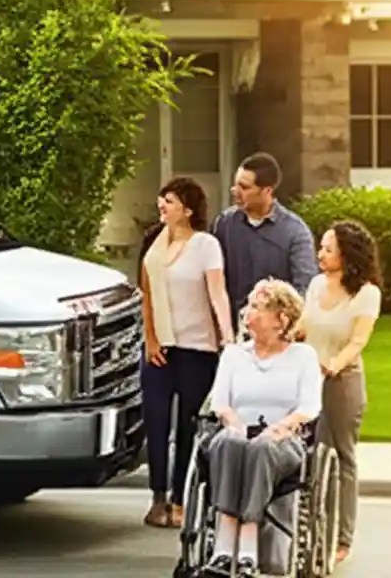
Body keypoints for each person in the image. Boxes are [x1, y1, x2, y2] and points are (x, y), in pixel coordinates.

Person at [203, 278, 322, 578]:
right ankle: (224, 547)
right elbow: (220, 403)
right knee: (230, 443)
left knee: (262, 447)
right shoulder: (233, 355)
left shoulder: (303, 357)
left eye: (256, 307)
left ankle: (247, 546)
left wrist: (280, 427)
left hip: (284, 439)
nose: (246, 312)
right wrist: (235, 425)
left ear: (280, 319)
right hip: (237, 431)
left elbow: (309, 407)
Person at [137, 177, 235, 529]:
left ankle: (180, 499)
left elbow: (217, 294)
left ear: (188, 210)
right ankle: (158, 497)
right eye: (162, 197)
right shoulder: (153, 245)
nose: (162, 203)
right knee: (157, 421)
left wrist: (228, 338)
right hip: (161, 348)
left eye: (171, 200)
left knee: (187, 425)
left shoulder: (206, 245)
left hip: (197, 349)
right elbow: (146, 297)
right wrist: (149, 339)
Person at [295, 220, 382, 566]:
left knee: (341, 456)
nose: (321, 253)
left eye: (328, 249)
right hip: (308, 380)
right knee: (310, 453)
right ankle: (312, 526)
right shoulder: (316, 285)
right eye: (322, 247)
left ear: (347, 255)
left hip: (341, 381)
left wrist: (333, 364)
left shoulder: (366, 293)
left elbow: (358, 341)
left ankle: (342, 536)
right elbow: (303, 326)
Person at [210, 152, 318, 329]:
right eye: (235, 185)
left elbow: (304, 289)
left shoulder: (295, 232)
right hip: (230, 333)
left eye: (244, 187)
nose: (235, 192)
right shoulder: (224, 224)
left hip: (275, 335)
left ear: (267, 191)